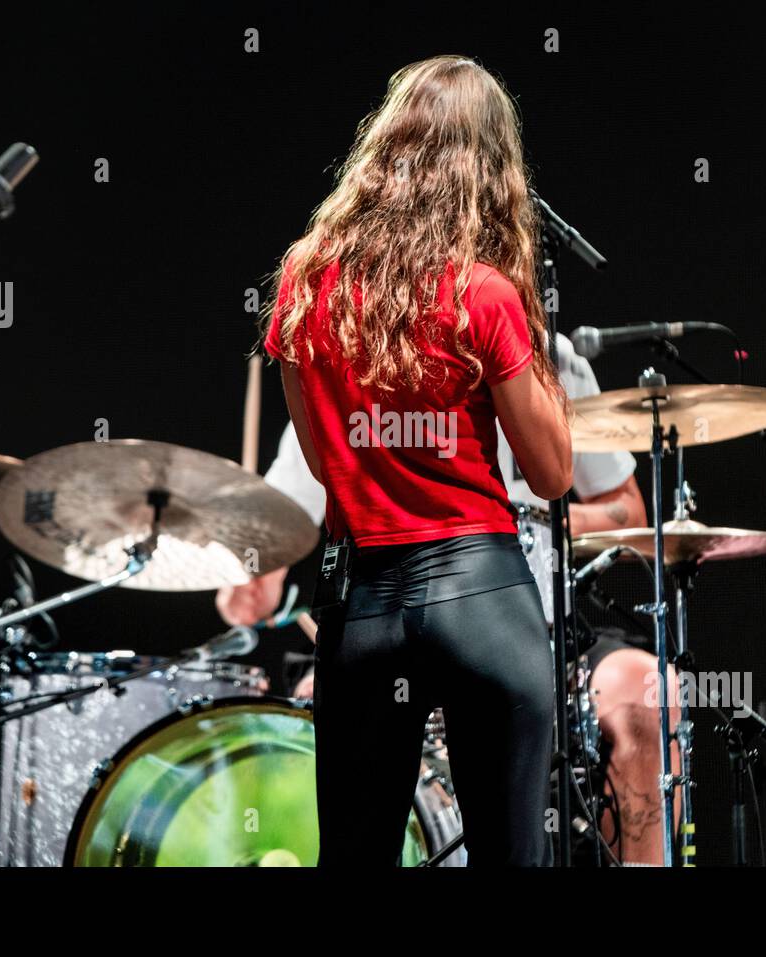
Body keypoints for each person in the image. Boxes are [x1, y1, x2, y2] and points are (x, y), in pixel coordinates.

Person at [257, 55, 571, 866]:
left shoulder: (304, 280)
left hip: (365, 602)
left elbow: (328, 465)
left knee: (356, 855)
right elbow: (553, 473)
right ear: (493, 167)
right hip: (481, 598)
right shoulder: (487, 293)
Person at [224, 329, 680, 865]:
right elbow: (274, 533)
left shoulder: (545, 354)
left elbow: (626, 511)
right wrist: (251, 575)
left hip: (539, 628)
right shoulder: (353, 348)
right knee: (313, 702)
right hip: (393, 616)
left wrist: (523, 514)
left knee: (652, 691)